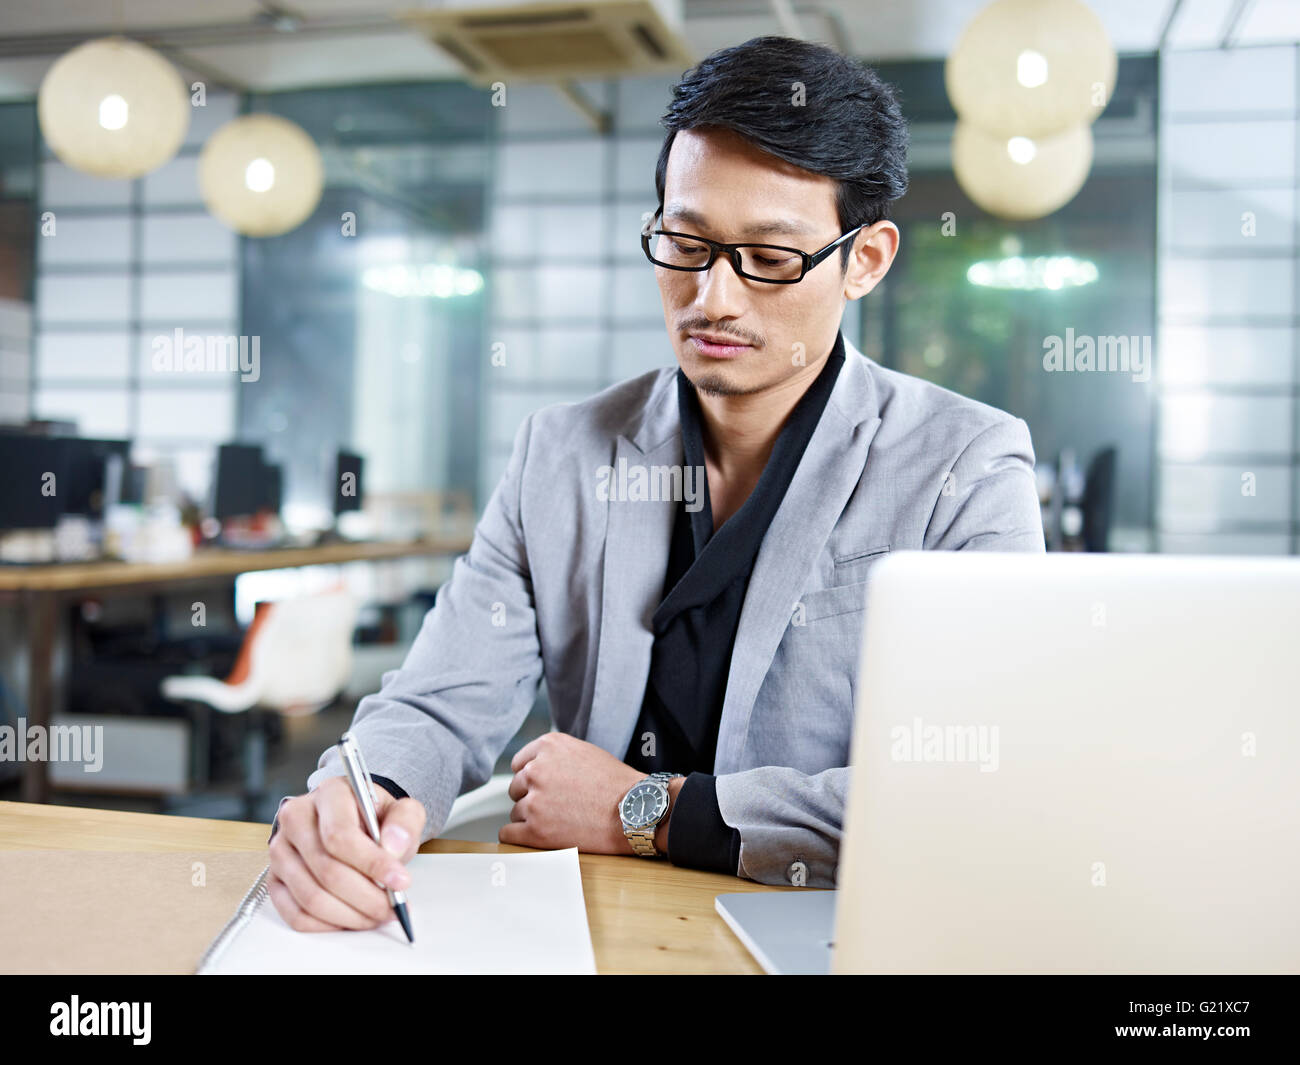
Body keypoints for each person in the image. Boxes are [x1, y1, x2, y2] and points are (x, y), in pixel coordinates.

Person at [266, 35, 1044, 932]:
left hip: (829, 932)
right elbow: (440, 702)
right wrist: (359, 794)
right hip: (593, 923)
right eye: (685, 241)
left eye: (770, 257)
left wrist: (650, 810)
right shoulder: (561, 453)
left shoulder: (967, 466)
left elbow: (976, 788)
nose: (713, 297)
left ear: (864, 259)